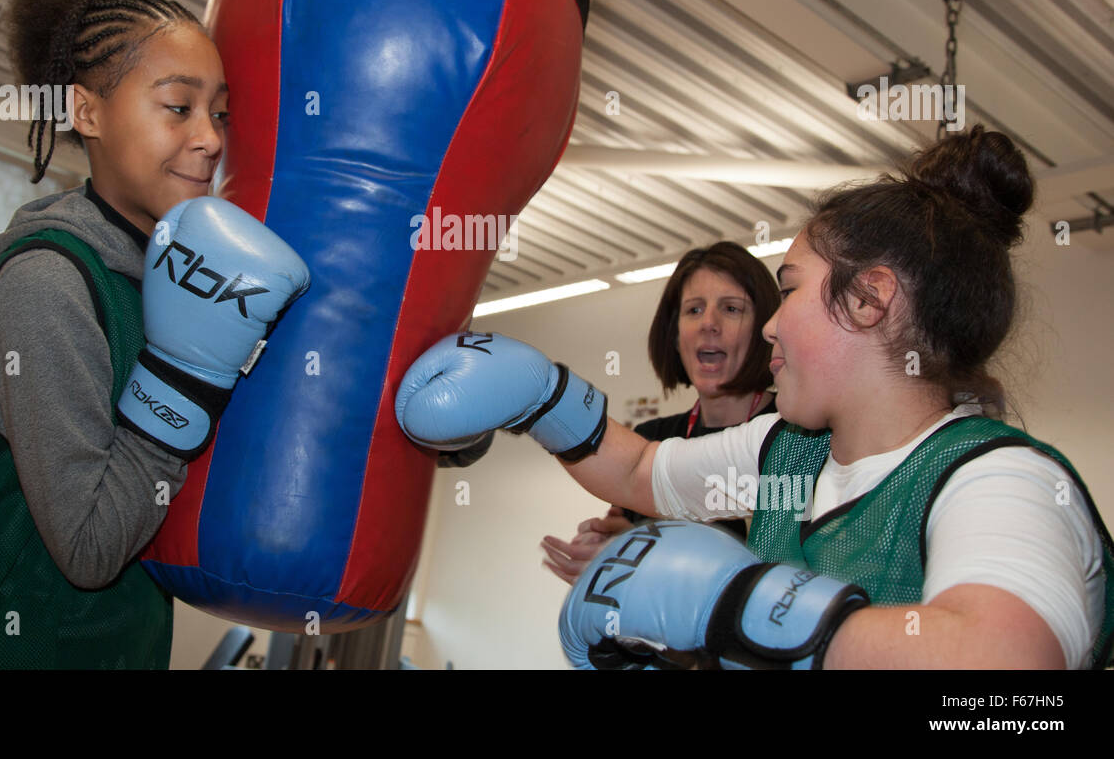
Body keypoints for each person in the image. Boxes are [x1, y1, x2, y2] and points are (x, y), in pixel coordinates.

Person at [397, 125, 1114, 669]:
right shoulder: (787, 451)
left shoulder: (998, 478)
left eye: (790, 288)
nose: (769, 322)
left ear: (869, 300)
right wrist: (543, 397)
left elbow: (1012, 684)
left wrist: (734, 607)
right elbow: (640, 473)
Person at [0, 0, 309, 668]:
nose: (210, 138)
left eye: (220, 114)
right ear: (87, 112)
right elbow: (88, 547)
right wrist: (183, 375)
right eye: (178, 107)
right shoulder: (49, 284)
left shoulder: (181, 281)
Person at [542, 242, 778, 586]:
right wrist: (610, 544)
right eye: (694, 310)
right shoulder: (649, 438)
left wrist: (644, 550)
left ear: (765, 327)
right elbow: (624, 534)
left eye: (731, 309)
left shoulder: (794, 434)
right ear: (674, 335)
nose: (708, 324)